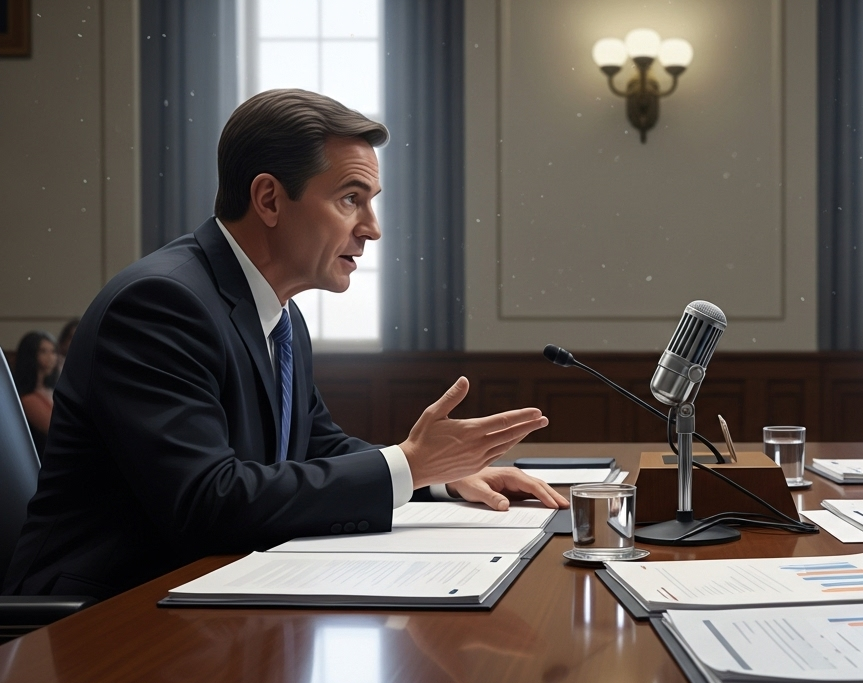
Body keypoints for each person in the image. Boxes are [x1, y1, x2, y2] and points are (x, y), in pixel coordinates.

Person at [4, 89, 566, 600]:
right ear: (269, 199)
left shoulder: (279, 312)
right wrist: (406, 465)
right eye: (351, 198)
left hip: (208, 601)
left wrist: (439, 476)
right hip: (103, 622)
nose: (373, 228)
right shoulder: (159, 303)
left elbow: (316, 447)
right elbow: (207, 502)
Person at [13, 331, 59, 455]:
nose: (51, 357)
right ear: (31, 355)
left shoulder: (52, 388)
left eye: (53, 351)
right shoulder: (28, 398)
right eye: (43, 351)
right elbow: (56, 429)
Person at [46, 317, 81, 387]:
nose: (76, 342)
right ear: (63, 341)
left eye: (80, 338)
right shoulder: (53, 365)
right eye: (71, 338)